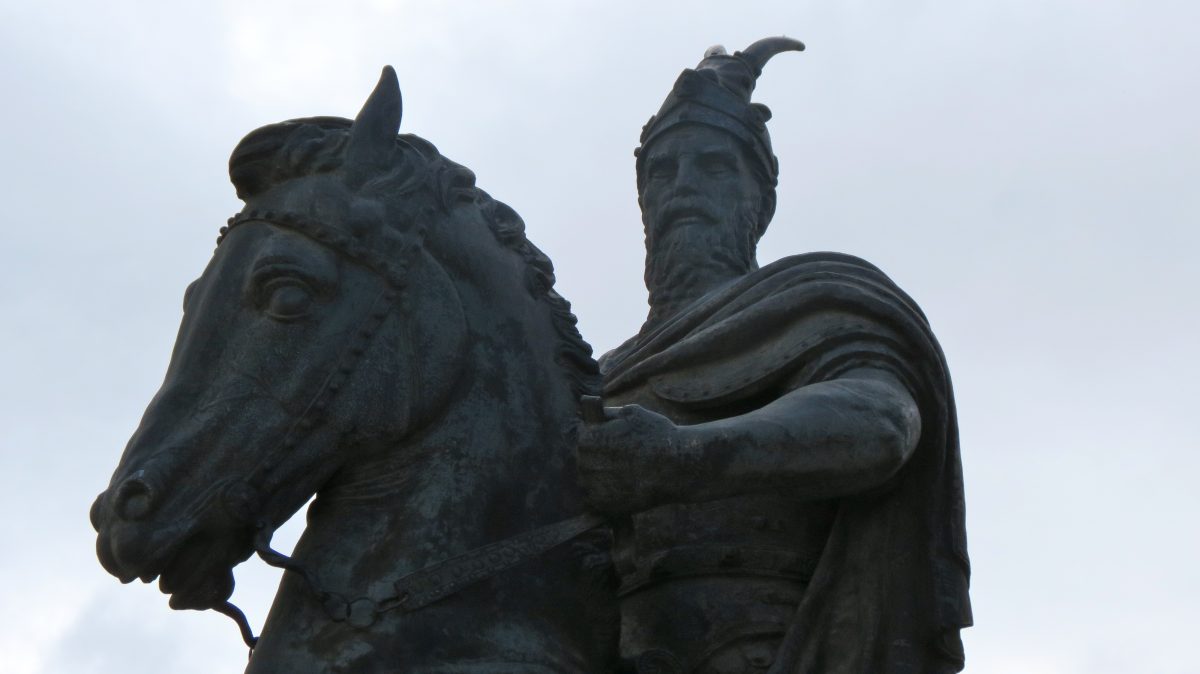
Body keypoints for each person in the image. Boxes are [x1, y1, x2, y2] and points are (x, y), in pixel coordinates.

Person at [576, 37, 972, 674]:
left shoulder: (812, 301)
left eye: (712, 166)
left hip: (769, 650)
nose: (683, 187)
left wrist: (685, 456)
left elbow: (880, 424)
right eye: (663, 171)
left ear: (760, 200)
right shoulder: (595, 377)